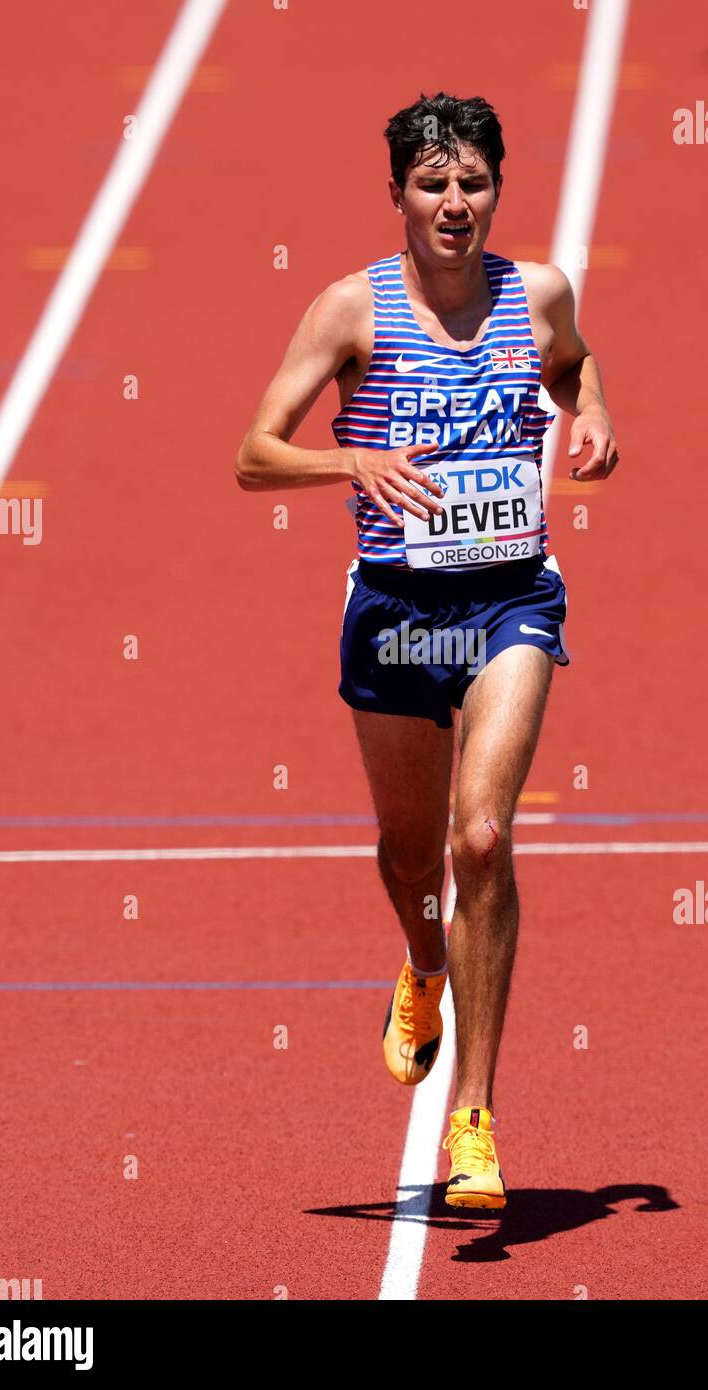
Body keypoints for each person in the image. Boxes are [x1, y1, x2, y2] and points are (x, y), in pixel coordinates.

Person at [235, 93, 619, 1210]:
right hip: (395, 611)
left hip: (509, 599)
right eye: (432, 184)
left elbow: (577, 368)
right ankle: (422, 962)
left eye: (473, 183)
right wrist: (347, 466)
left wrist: (595, 418)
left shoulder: (535, 292)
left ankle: (475, 1116)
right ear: (397, 191)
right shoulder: (350, 310)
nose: (455, 204)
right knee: (412, 856)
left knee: (482, 834)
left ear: (497, 187)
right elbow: (254, 455)